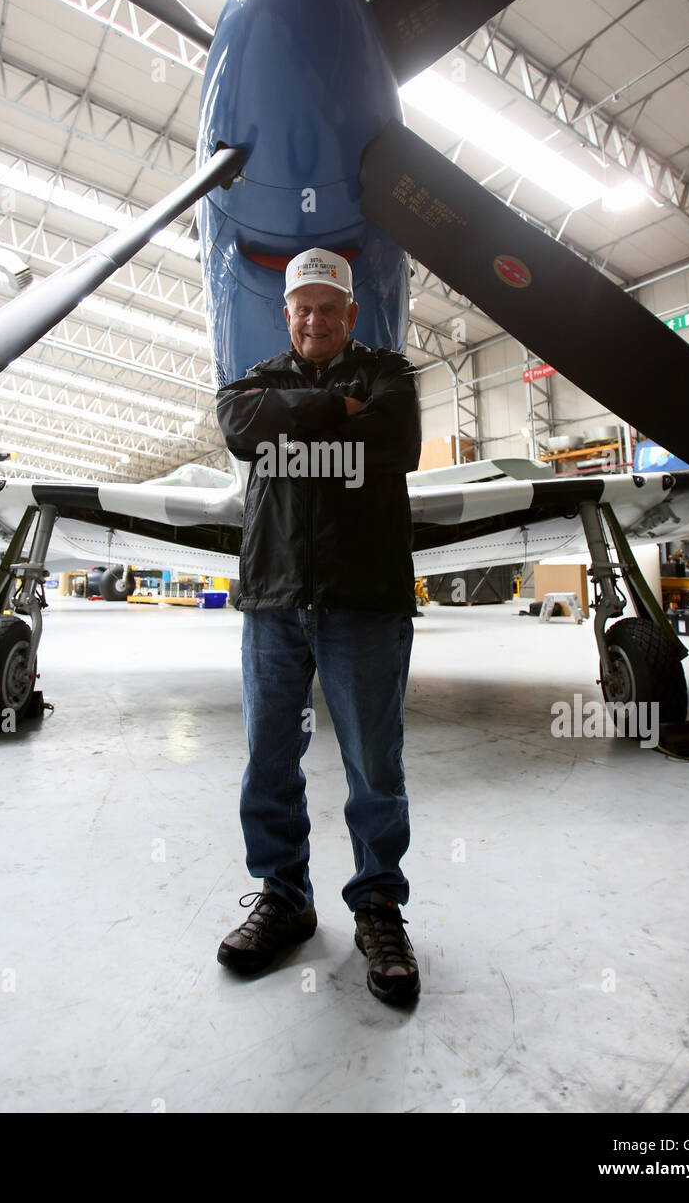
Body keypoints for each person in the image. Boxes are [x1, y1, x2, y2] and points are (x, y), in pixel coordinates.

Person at [214, 247, 423, 1003]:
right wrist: (334, 411)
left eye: (328, 308)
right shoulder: (255, 383)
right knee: (269, 760)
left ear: (351, 315)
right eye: (302, 307)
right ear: (287, 313)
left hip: (363, 600)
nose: (314, 319)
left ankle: (377, 906)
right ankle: (284, 897)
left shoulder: (390, 376)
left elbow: (396, 441)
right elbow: (240, 426)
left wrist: (292, 430)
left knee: (374, 767)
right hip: (273, 602)